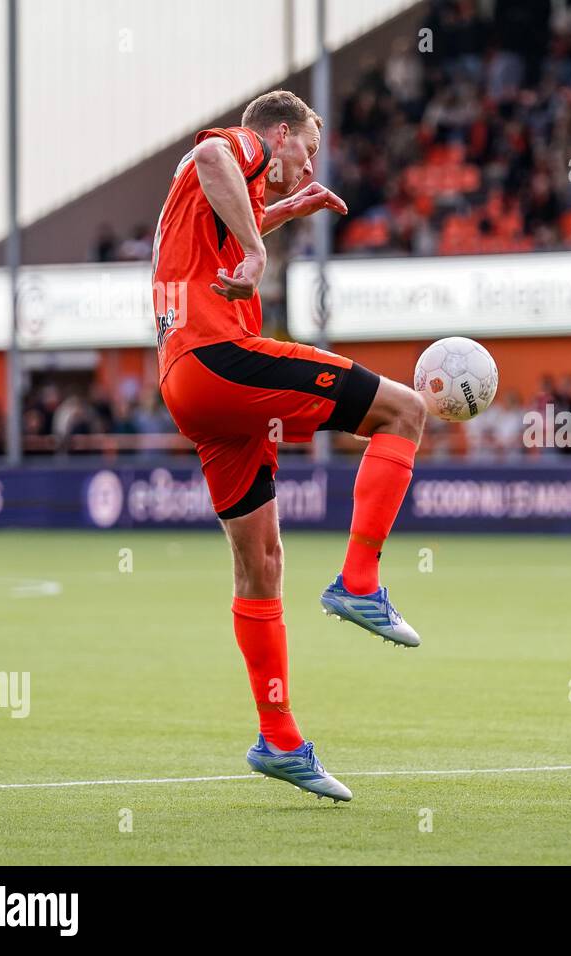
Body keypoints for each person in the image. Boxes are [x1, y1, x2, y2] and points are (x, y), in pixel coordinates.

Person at [153, 90, 428, 803]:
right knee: (406, 410)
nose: (308, 161)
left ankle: (279, 740)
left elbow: (214, 219)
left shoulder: (222, 198)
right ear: (280, 133)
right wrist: (255, 247)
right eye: (307, 145)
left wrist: (276, 216)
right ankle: (359, 582)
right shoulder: (236, 148)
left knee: (261, 562)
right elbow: (215, 153)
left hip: (192, 389)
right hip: (219, 357)